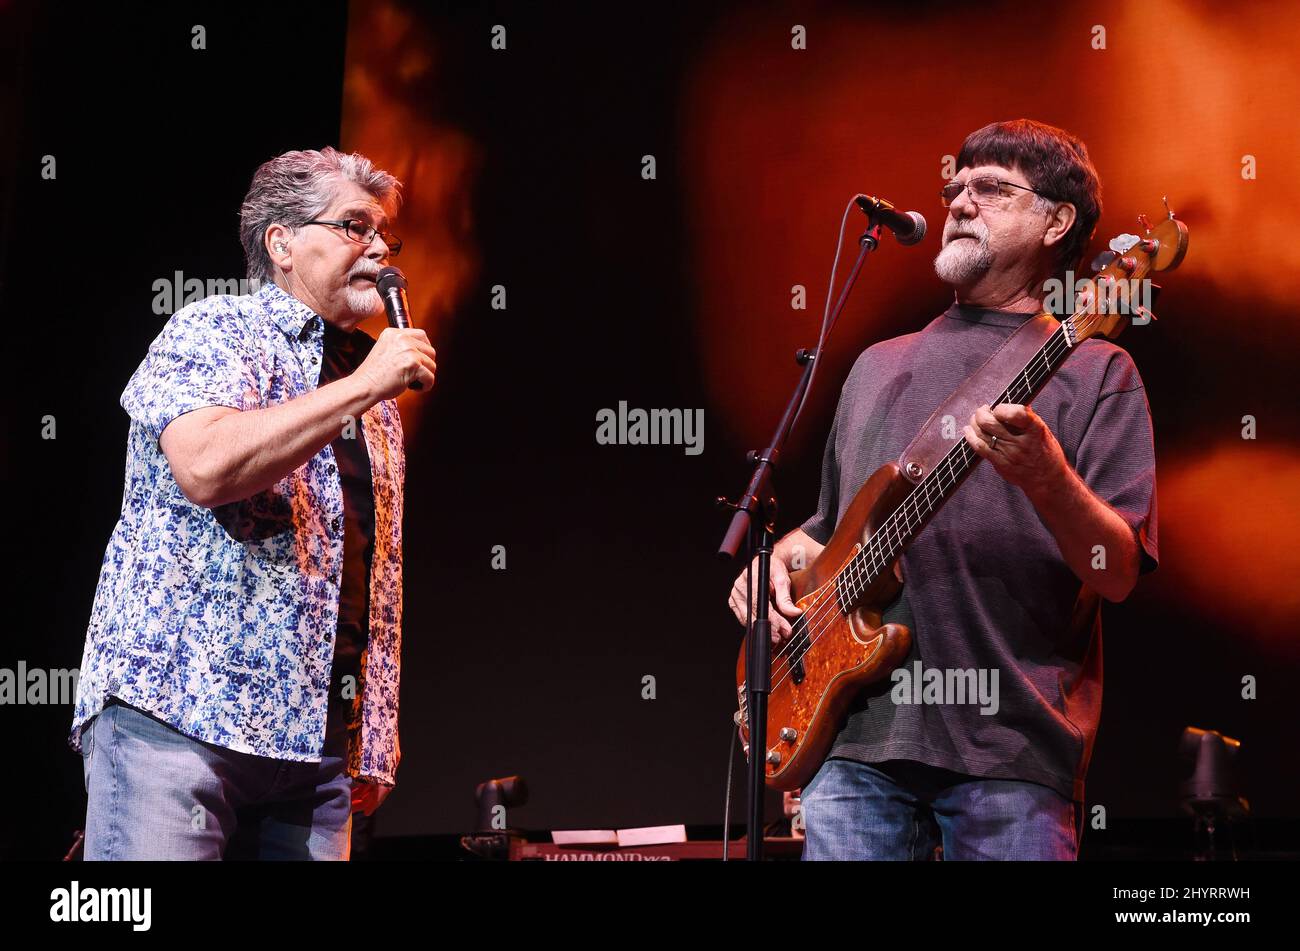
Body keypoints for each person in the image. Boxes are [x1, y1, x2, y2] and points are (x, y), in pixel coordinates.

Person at [728, 119, 1158, 861]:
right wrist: (774, 564)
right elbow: (832, 529)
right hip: (855, 746)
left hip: (1010, 754)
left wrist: (1048, 479)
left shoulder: (1098, 371)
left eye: (990, 188)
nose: (960, 200)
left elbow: (1116, 572)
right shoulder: (874, 366)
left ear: (1057, 222)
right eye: (954, 185)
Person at [69, 147, 437, 860]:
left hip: (316, 746)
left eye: (386, 234)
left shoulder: (372, 384)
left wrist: (374, 728)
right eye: (355, 226)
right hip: (179, 717)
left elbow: (374, 565)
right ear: (282, 243)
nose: (380, 247)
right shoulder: (215, 329)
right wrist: (366, 386)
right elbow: (208, 466)